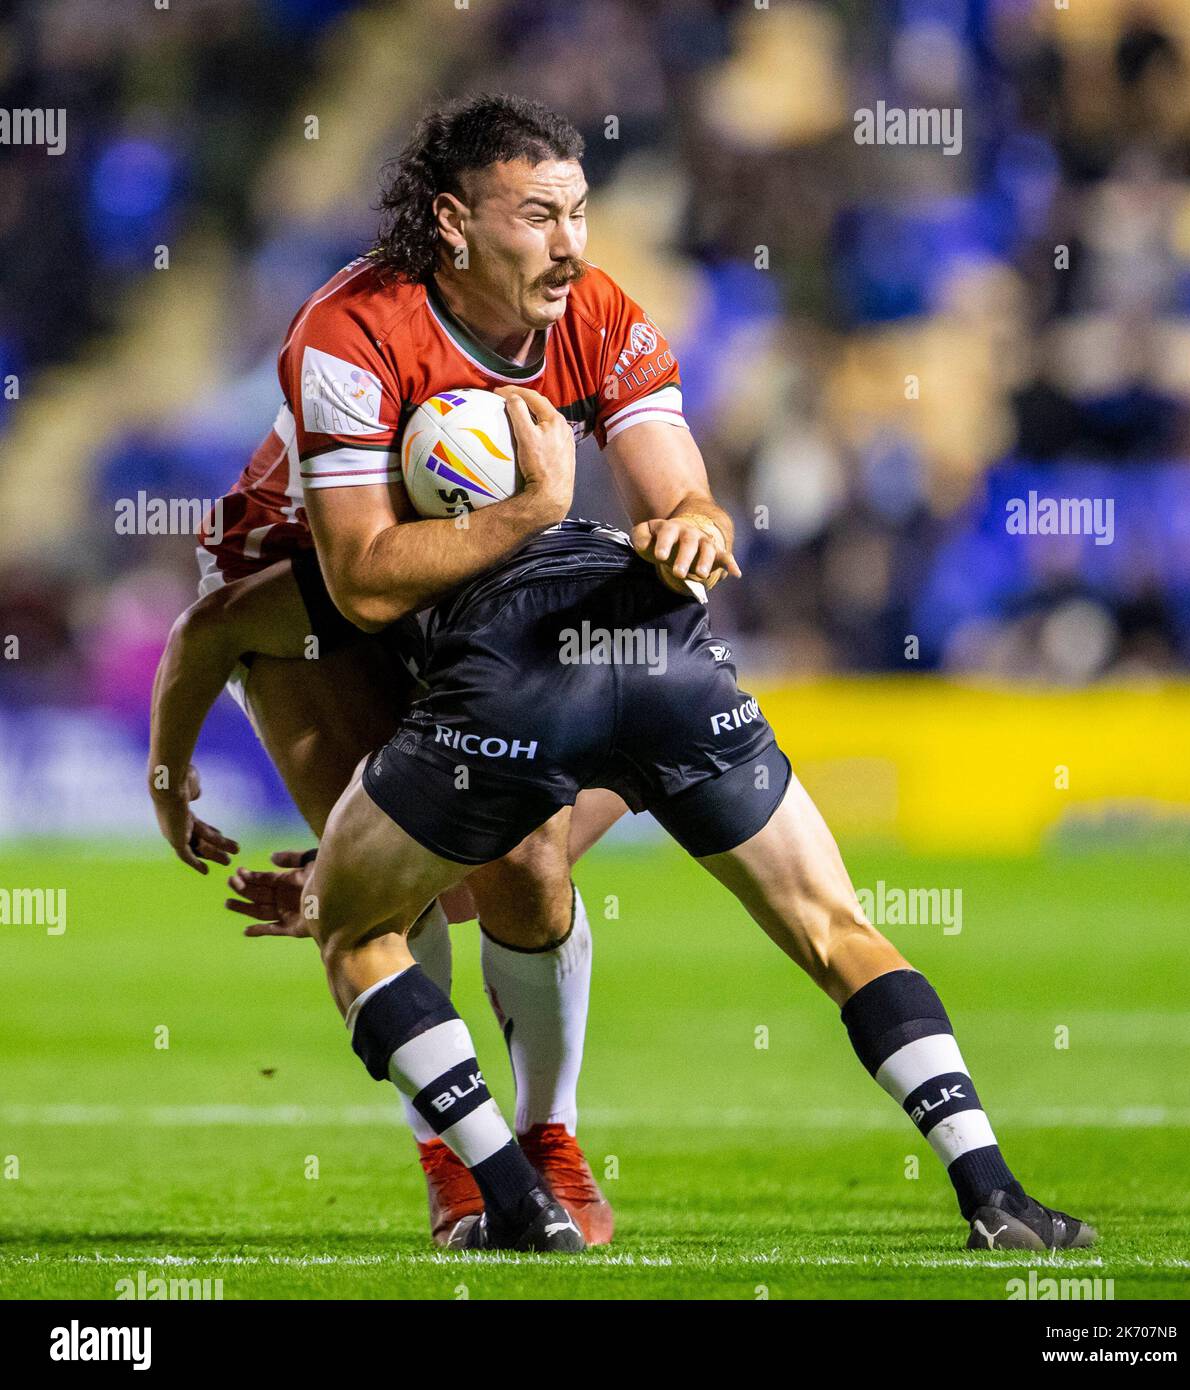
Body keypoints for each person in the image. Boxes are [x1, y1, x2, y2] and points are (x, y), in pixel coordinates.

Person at [229, 407, 1098, 1253]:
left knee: (356, 930)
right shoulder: (608, 528)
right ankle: (993, 1192)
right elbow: (616, 746)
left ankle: (516, 1202)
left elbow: (210, 629)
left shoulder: (386, 568)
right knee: (838, 931)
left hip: (515, 685)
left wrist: (311, 851)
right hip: (673, 662)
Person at [151, 90, 737, 1244]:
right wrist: (175, 779)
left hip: (482, 586)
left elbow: (685, 496)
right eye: (540, 215)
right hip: (317, 596)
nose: (573, 243)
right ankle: (459, 1170)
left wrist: (696, 524)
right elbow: (316, 593)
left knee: (521, 851)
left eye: (580, 212)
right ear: (455, 224)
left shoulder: (600, 315)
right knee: (390, 900)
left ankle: (550, 1138)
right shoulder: (349, 331)